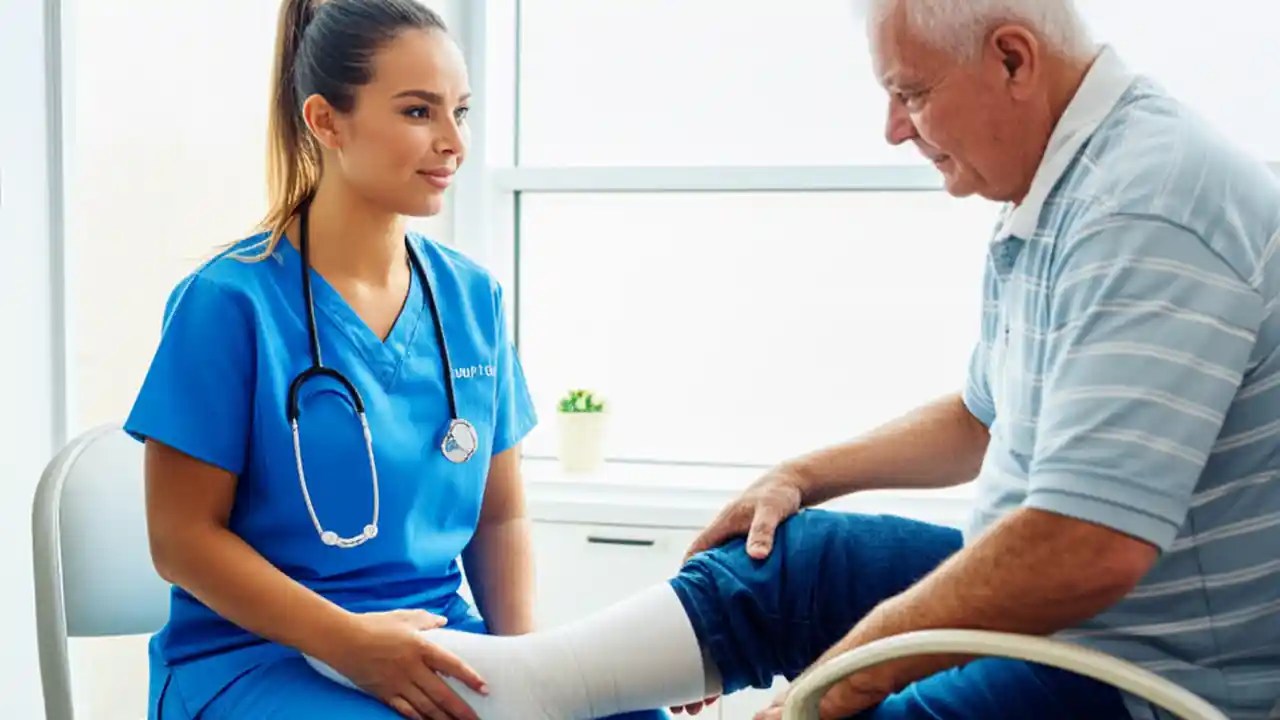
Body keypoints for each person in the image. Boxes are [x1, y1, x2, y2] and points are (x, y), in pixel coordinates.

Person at [305, 0, 1280, 718]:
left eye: (910, 94)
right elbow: (986, 415)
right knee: (793, 558)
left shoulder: (1143, 208)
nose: (893, 127)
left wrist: (830, 687)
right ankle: (530, 689)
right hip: (1077, 621)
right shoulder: (1060, 187)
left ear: (1013, 59)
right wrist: (801, 476)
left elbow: (1082, 549)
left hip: (1143, 675)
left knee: (851, 706)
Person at [123, 1, 671, 719]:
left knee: (631, 714)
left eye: (461, 113)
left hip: (436, 641)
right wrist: (348, 642)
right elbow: (182, 540)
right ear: (326, 121)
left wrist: (537, 673)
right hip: (256, 656)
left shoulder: (471, 299)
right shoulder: (228, 303)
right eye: (419, 112)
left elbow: (499, 517)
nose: (454, 143)